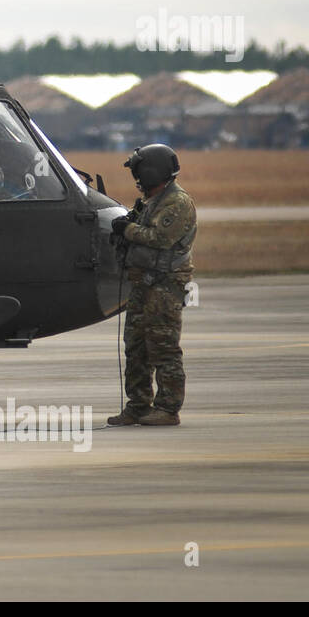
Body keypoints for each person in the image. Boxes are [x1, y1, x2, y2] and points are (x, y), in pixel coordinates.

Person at [108, 144, 197, 427]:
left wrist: (127, 229)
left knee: (163, 346)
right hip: (143, 284)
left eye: (138, 171)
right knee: (135, 347)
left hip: (164, 285)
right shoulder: (151, 202)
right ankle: (137, 405)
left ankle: (168, 408)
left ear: (150, 172)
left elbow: (159, 238)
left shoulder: (177, 202)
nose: (136, 178)